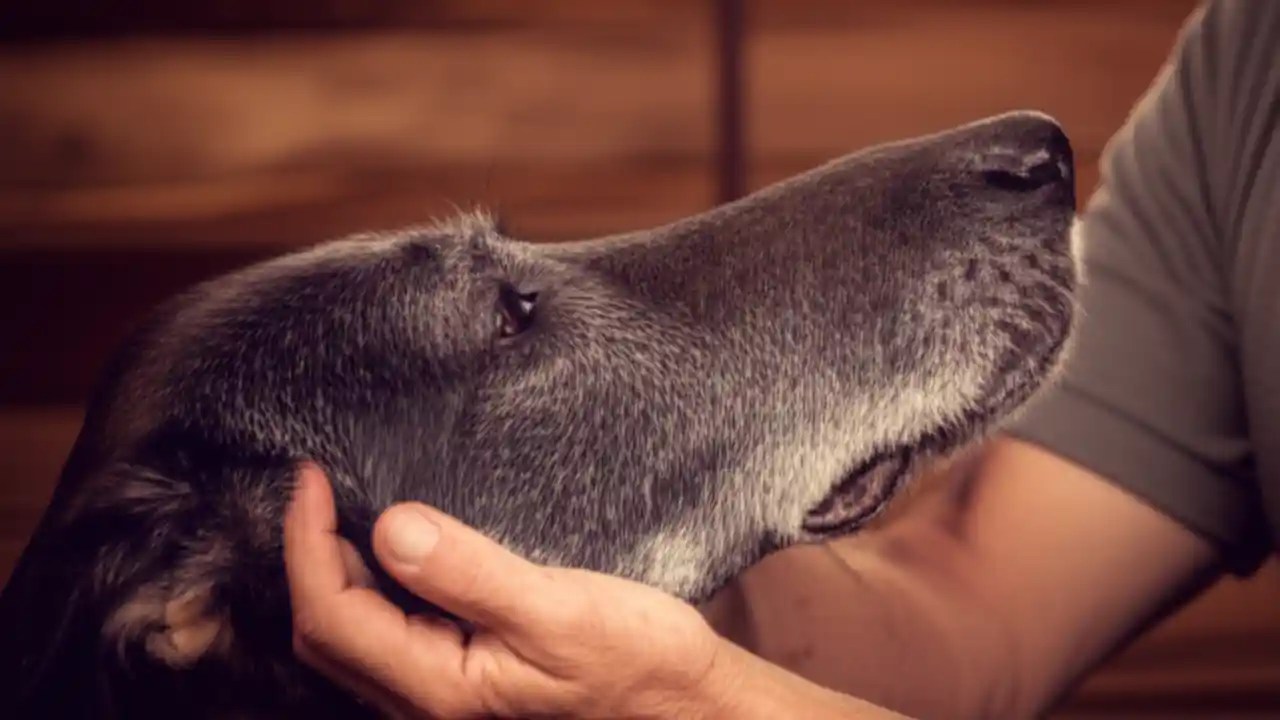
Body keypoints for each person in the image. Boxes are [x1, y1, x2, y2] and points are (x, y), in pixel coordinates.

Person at [282, 1, 1280, 717]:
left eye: (518, 308)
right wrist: (649, 600)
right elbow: (977, 611)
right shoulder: (1244, 64)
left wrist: (706, 705)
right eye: (515, 313)